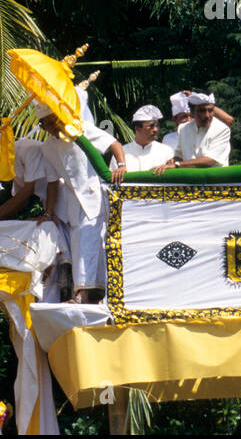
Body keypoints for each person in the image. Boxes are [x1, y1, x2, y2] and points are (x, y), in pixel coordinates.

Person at [39, 110, 124, 303]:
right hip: (73, 202)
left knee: (99, 242)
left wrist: (121, 165)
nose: (54, 127)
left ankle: (99, 295)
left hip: (96, 193)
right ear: (42, 127)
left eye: (56, 121)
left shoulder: (81, 129)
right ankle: (84, 294)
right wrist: (49, 212)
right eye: (49, 124)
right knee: (79, 247)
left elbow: (114, 143)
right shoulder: (47, 147)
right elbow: (53, 182)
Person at [166, 92, 231, 169]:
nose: (207, 115)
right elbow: (179, 155)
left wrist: (177, 164)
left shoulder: (222, 129)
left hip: (214, 179)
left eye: (210, 110)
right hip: (190, 179)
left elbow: (209, 161)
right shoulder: (183, 129)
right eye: (202, 111)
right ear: (192, 113)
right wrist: (172, 161)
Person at [124, 105, 175, 172]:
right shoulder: (122, 152)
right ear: (137, 128)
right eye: (151, 126)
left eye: (157, 126)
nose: (156, 129)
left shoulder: (166, 151)